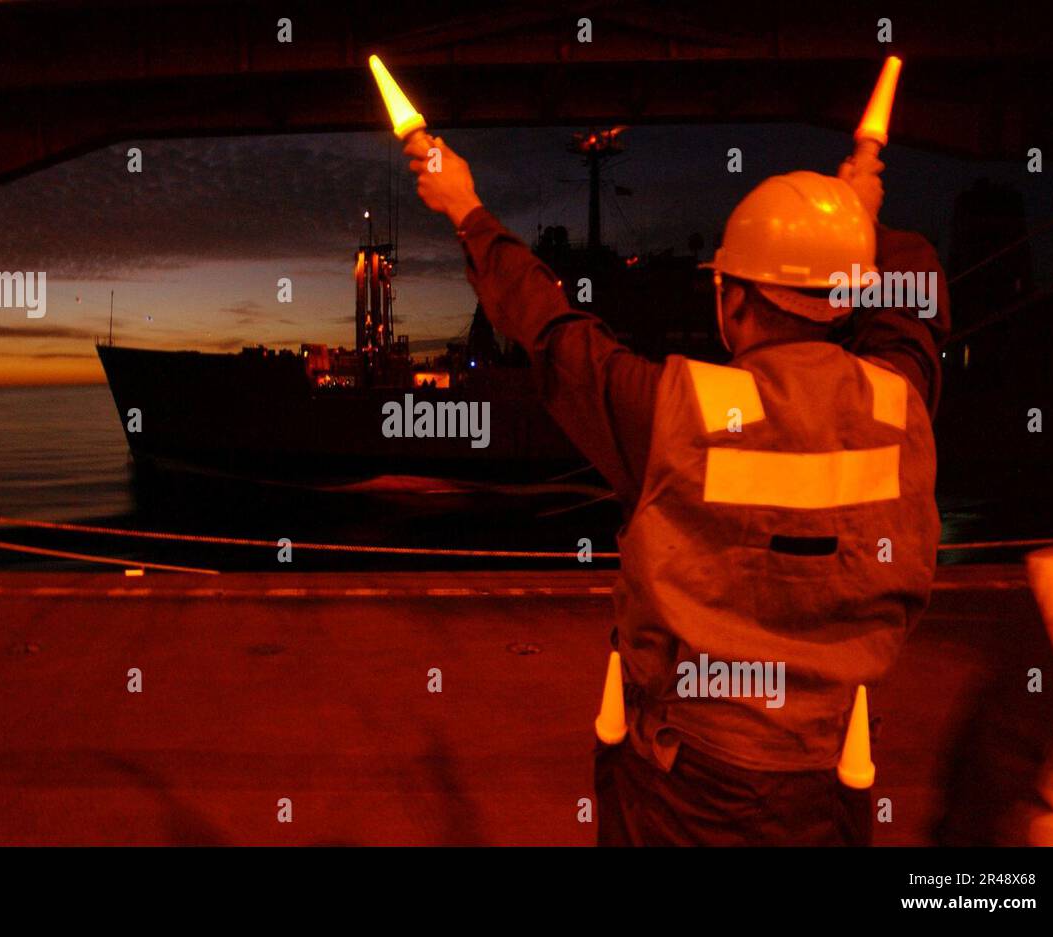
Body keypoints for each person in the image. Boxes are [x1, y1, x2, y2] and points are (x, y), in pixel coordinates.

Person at [405, 133, 951, 845]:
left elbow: (550, 333)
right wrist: (863, 224)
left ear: (733, 301)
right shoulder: (899, 402)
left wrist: (466, 207)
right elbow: (913, 316)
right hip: (828, 774)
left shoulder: (675, 410)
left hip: (684, 781)